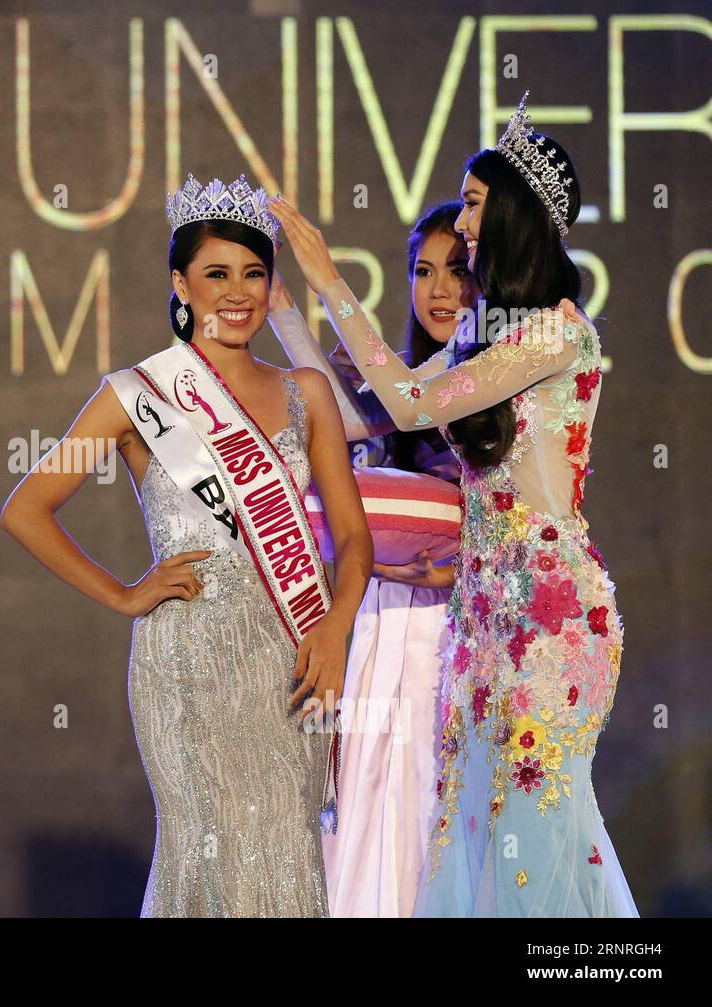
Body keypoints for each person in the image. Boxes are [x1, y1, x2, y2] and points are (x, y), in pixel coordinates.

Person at [269, 92, 639, 917]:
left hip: (550, 621)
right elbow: (388, 403)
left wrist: (330, 278)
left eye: (472, 204)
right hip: (477, 626)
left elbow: (401, 403)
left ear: (509, 210)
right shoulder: (492, 340)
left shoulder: (556, 334)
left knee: (533, 839)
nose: (462, 223)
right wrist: (299, 311)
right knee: (475, 839)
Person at [0, 173, 373, 916]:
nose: (237, 292)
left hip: (291, 659)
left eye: (253, 274)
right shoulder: (133, 396)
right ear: (181, 282)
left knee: (284, 849)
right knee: (209, 847)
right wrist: (124, 593)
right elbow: (27, 507)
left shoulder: (309, 391)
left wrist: (336, 622)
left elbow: (354, 534)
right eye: (216, 274)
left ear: (270, 286)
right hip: (187, 669)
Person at [266, 201, 476, 916]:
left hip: (456, 636)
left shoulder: (489, 381)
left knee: (429, 802)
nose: (439, 289)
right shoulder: (401, 380)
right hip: (382, 622)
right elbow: (341, 417)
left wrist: (463, 565)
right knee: (371, 803)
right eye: (423, 271)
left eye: (460, 270)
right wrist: (284, 306)